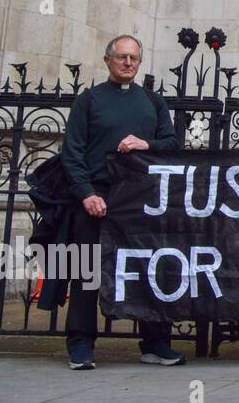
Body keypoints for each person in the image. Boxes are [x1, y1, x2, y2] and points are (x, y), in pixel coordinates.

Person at [59, 35, 185, 370]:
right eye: (121, 57)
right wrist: (86, 193)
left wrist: (146, 144)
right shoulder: (88, 101)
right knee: (87, 272)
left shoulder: (153, 102)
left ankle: (155, 343)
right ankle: (81, 344)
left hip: (140, 199)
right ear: (108, 60)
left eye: (133, 58)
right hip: (97, 196)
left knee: (149, 269)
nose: (128, 63)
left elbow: (172, 145)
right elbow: (72, 153)